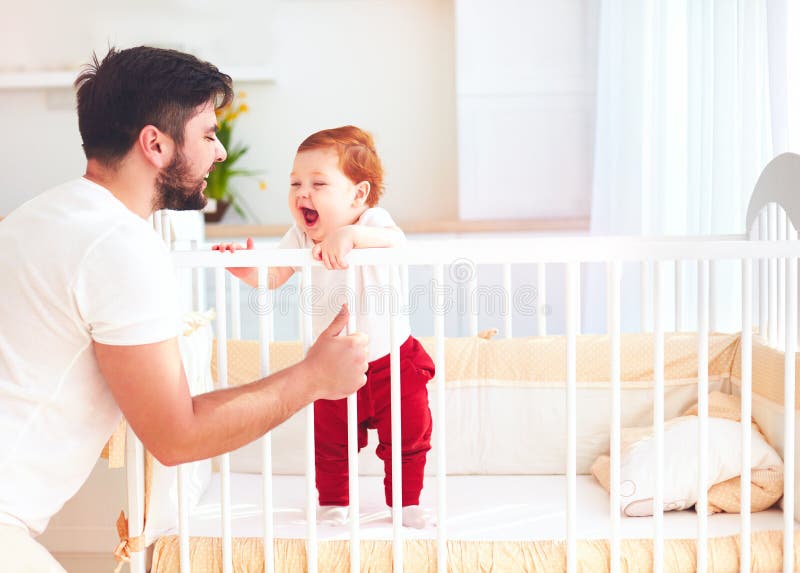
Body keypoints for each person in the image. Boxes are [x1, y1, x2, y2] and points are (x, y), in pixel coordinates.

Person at [0, 47, 368, 572]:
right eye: (209, 135)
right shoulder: (120, 245)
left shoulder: (34, 217)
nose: (219, 153)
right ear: (155, 143)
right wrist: (313, 377)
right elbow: (176, 435)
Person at [214, 126, 435, 528]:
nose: (303, 193)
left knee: (408, 437)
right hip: (331, 365)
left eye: (318, 183)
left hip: (391, 363)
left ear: (358, 194)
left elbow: (398, 242)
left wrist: (351, 235)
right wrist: (246, 268)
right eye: (296, 182)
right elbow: (274, 275)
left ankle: (406, 504)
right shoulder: (300, 236)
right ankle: (333, 503)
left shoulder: (372, 221)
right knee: (331, 442)